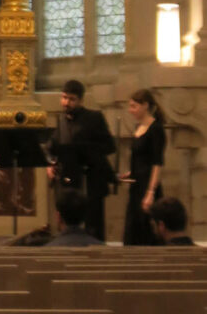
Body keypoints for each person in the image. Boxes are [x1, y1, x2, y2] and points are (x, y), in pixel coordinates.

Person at [46, 79, 115, 243]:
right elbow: (51, 147)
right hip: (70, 181)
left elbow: (110, 146)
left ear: (81, 100)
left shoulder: (94, 118)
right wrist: (50, 163)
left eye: (71, 99)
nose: (66, 102)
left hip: (90, 179)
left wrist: (85, 149)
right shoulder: (62, 121)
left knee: (94, 226)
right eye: (64, 98)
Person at [121, 88, 166, 245]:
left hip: (148, 186)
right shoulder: (137, 128)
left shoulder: (156, 129)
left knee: (146, 230)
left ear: (145, 105)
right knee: (133, 231)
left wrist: (150, 192)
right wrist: (130, 172)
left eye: (134, 106)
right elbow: (139, 158)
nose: (130, 110)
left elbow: (157, 163)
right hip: (136, 185)